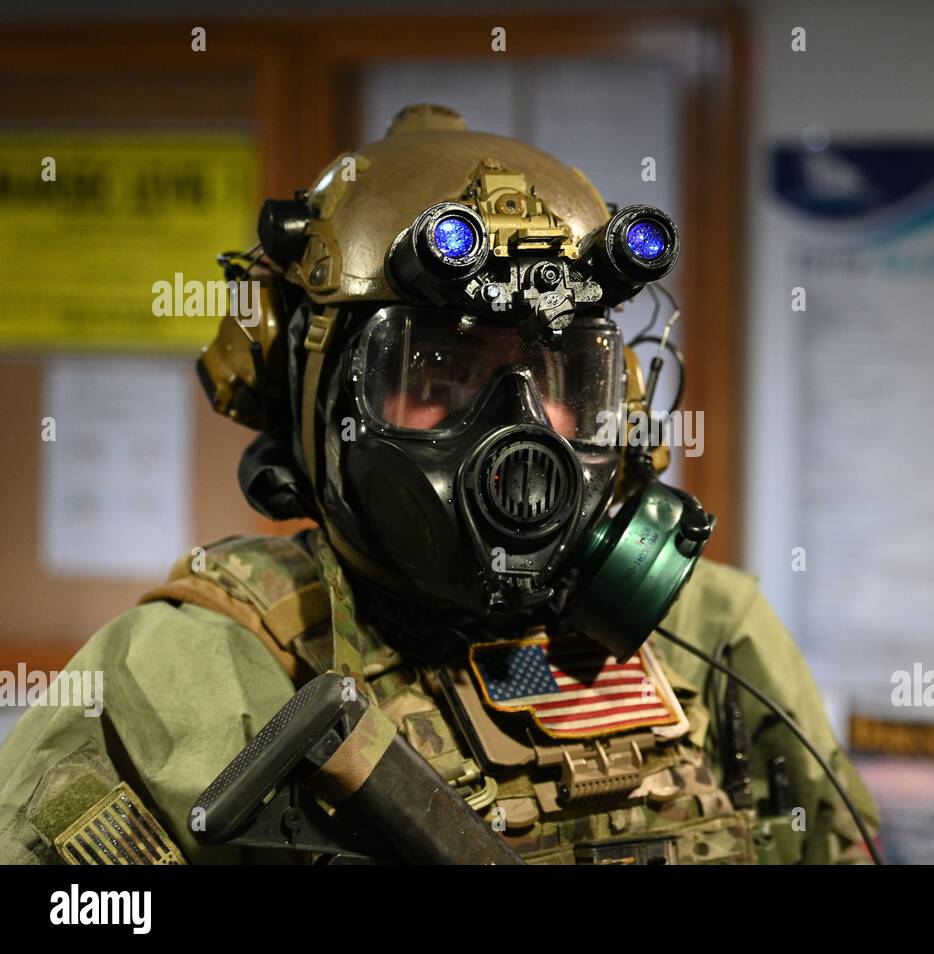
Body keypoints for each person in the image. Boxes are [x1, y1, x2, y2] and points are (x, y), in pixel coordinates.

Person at [0, 104, 879, 865]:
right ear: (314, 397)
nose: (520, 430)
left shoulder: (712, 638)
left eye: (561, 377)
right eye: (439, 375)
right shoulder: (188, 674)